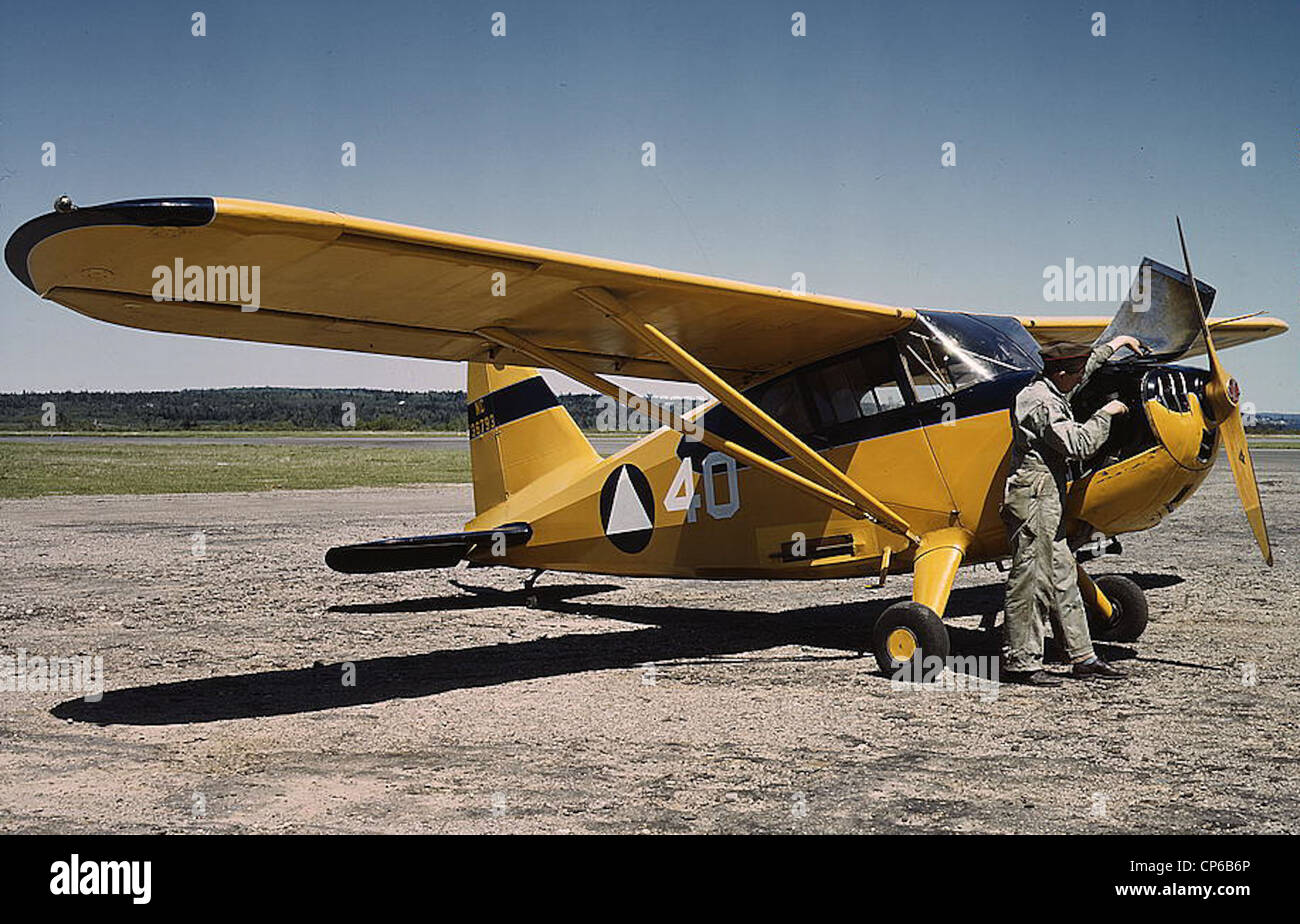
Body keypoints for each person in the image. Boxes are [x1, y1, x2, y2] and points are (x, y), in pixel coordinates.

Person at [1000, 334, 1144, 686]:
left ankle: (1083, 658)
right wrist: (1107, 413)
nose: (1083, 378)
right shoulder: (1039, 402)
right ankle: (1021, 663)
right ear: (1062, 373)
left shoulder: (1054, 387)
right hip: (1032, 499)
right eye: (1077, 373)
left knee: (1064, 578)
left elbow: (1085, 364)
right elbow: (1078, 444)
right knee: (1031, 579)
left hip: (1047, 500)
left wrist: (1118, 342)